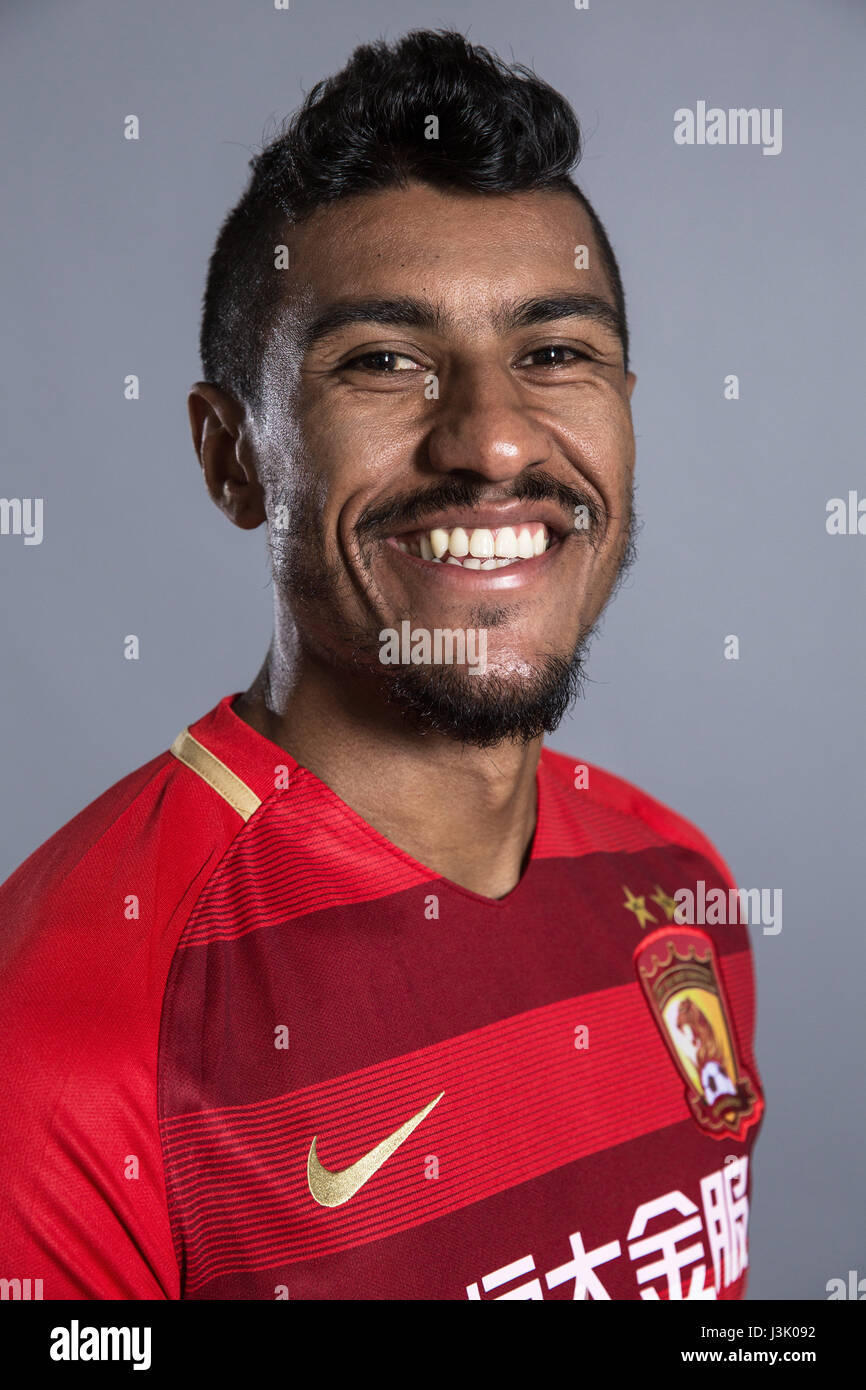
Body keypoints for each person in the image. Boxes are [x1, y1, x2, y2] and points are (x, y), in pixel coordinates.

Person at [0, 29, 762, 1301]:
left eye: (554, 351)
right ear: (231, 454)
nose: (494, 441)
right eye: (383, 362)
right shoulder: (63, 1027)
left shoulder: (683, 887)